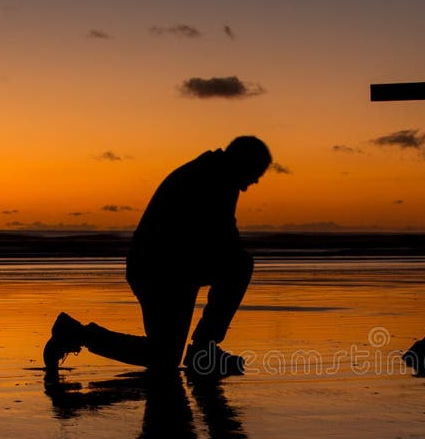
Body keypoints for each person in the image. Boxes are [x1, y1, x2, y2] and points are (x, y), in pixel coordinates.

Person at [43, 135, 272, 376]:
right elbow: (225, 238)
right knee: (238, 265)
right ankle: (78, 334)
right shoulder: (214, 177)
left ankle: (203, 349)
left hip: (177, 267)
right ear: (242, 161)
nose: (254, 182)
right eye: (255, 173)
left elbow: (224, 238)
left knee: (164, 355)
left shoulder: (219, 173)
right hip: (158, 269)